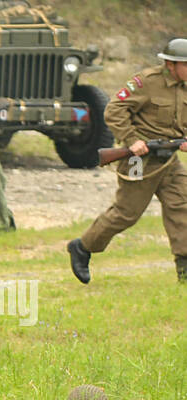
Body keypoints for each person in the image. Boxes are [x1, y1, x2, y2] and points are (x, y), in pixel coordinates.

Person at [69, 38, 187, 284]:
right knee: (126, 213)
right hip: (139, 160)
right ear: (171, 65)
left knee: (182, 209)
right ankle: (83, 247)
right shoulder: (146, 82)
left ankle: (184, 270)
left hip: (170, 161)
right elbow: (114, 110)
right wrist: (132, 139)